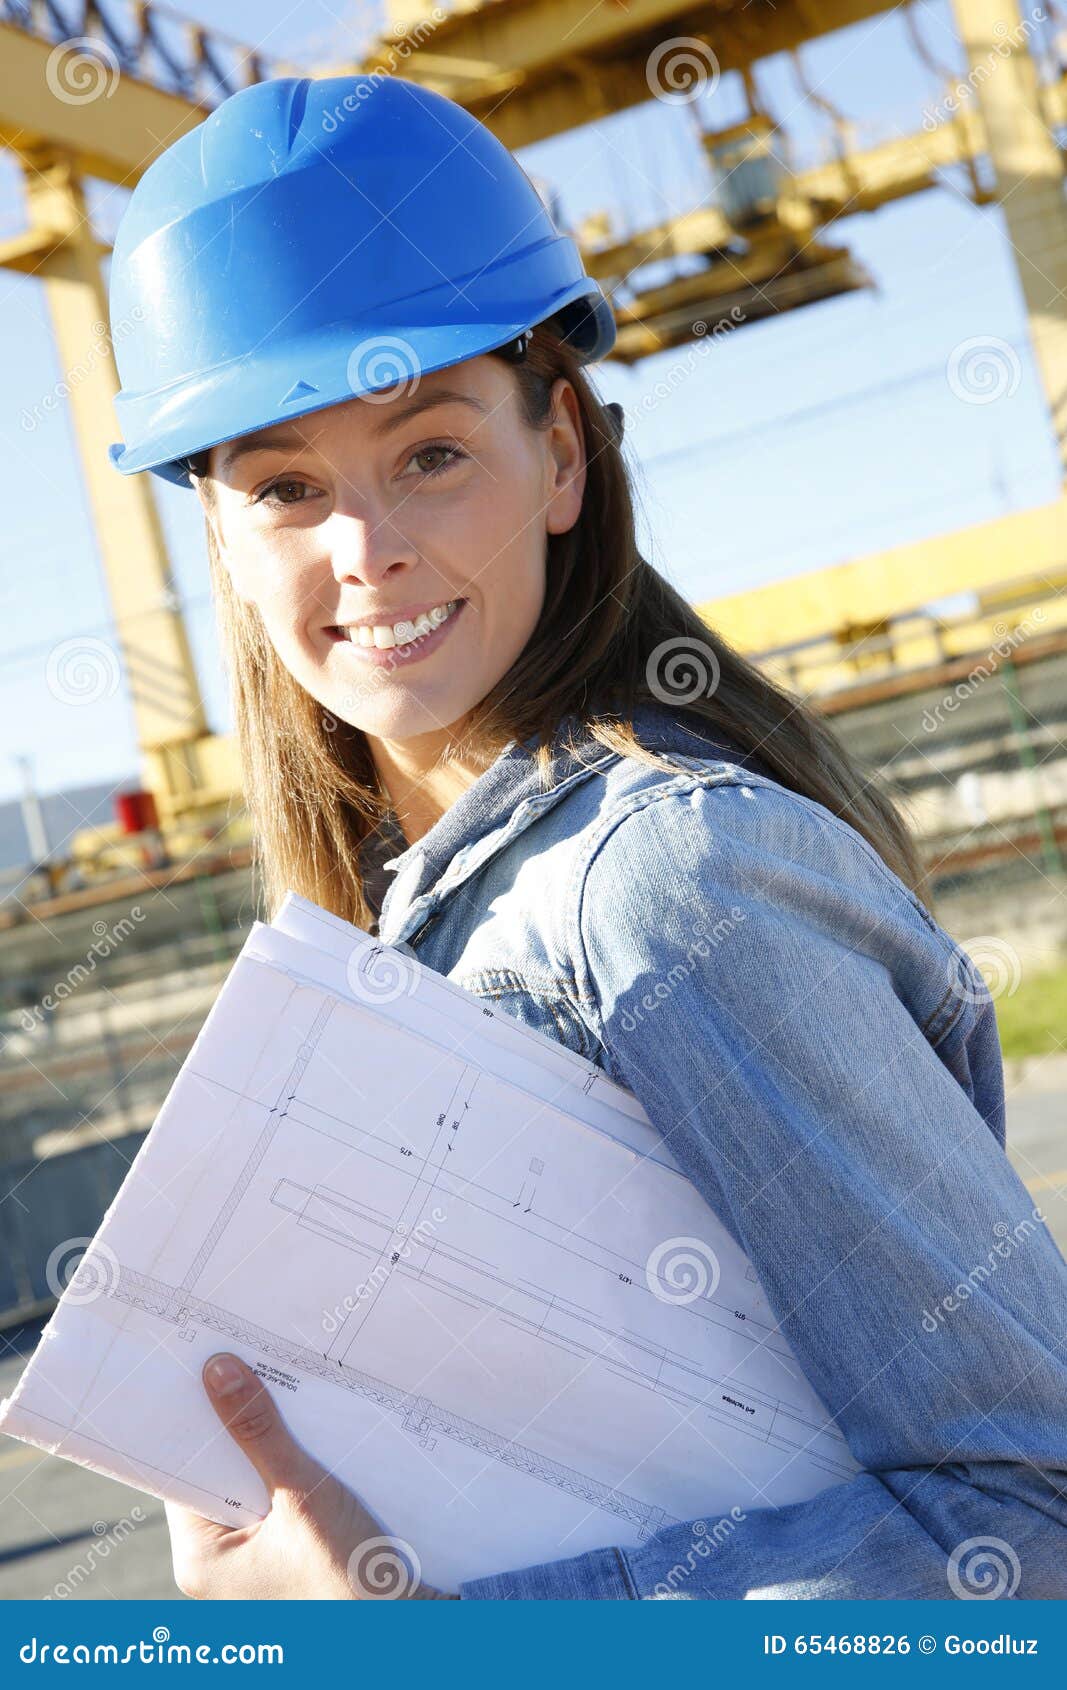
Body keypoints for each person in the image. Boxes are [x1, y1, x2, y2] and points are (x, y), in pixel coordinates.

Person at [106, 72, 1067, 1601]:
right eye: (285, 486)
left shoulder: (668, 887)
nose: (368, 550)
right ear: (220, 538)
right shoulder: (378, 923)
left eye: (431, 452)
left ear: (560, 452)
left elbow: (1031, 1528)